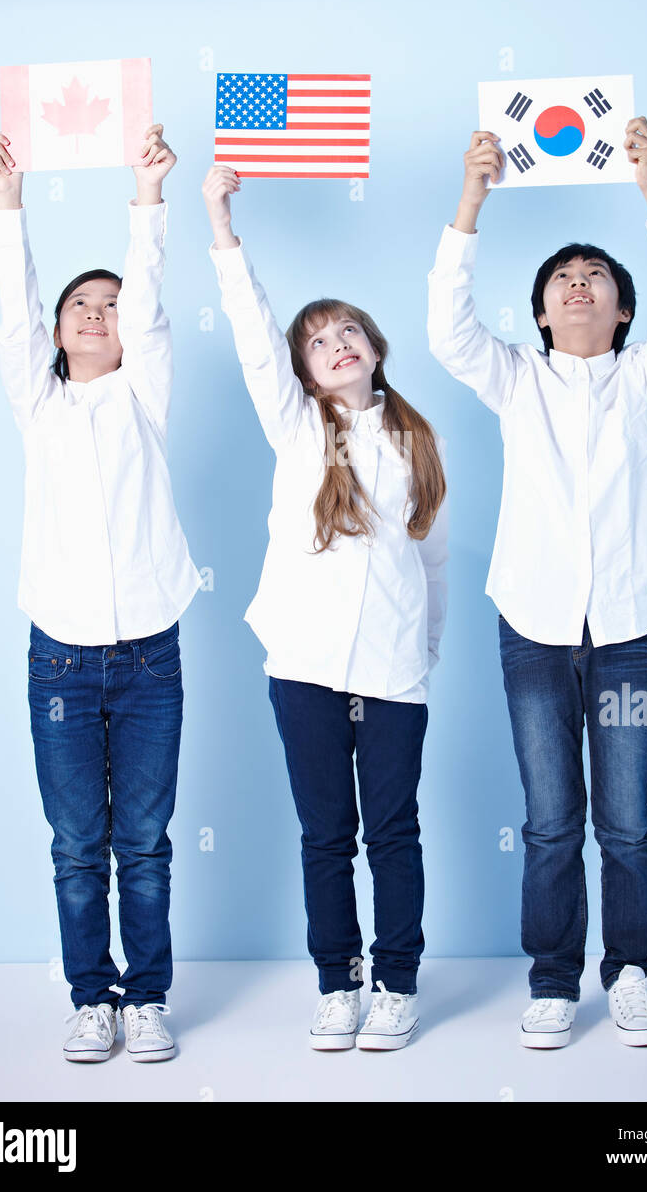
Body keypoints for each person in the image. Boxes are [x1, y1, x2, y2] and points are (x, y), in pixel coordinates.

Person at [428, 117, 647, 1048]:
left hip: (633, 630)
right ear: (543, 314)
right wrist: (473, 198)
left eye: (596, 278)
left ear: (620, 310)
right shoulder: (515, 380)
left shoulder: (646, 381)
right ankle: (555, 980)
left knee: (626, 821)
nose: (579, 284)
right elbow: (444, 327)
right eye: (562, 280)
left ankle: (631, 971)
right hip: (535, 635)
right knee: (551, 822)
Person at [202, 163, 448, 1051]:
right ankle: (337, 983)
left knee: (394, 833)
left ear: (375, 345)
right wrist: (221, 222)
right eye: (318, 341)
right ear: (304, 371)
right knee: (324, 837)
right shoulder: (297, 426)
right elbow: (250, 332)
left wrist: (423, 650)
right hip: (302, 665)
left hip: (392, 669)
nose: (335, 342)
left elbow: (434, 556)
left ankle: (397, 983)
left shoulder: (417, 438)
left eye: (349, 330)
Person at [0, 124, 201, 1062]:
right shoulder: (40, 404)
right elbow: (14, 312)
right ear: (61, 327)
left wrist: (146, 197)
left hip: (150, 653)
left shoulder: (145, 395)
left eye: (109, 301)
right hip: (61, 656)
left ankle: (146, 997)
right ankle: (92, 997)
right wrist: (7, 205)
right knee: (78, 846)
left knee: (144, 844)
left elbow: (147, 305)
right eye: (82, 302)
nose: (98, 311)